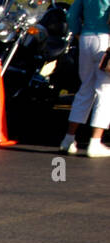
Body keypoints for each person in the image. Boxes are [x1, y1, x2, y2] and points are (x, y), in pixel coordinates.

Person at [59, 0, 110, 157]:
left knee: (85, 88)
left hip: (86, 38)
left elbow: (71, 15)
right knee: (105, 91)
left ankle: (68, 139)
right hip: (104, 38)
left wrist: (78, 32)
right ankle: (95, 142)